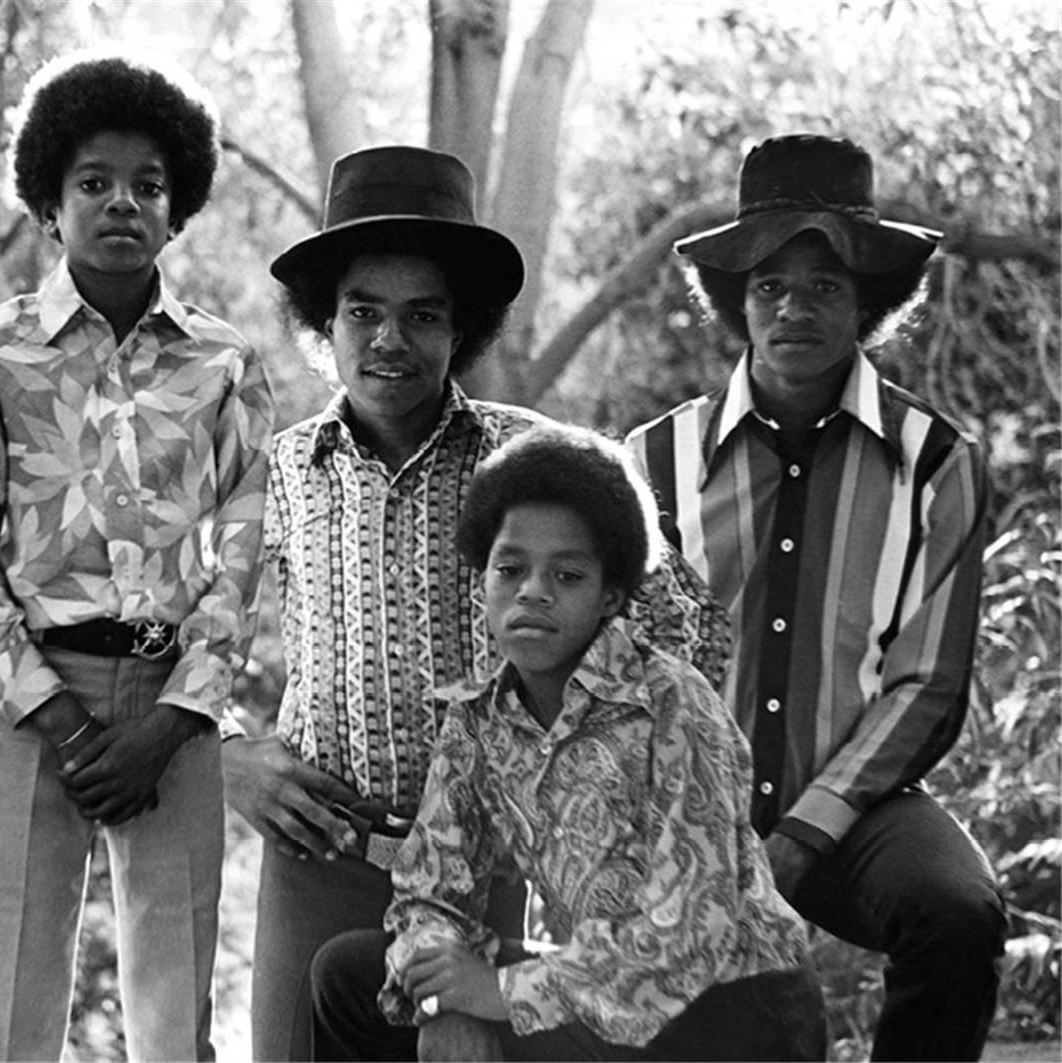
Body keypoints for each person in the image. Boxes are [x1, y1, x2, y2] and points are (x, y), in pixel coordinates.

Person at [224, 144, 731, 1062]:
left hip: (486, 865)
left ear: (462, 329)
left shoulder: (532, 457)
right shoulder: (284, 468)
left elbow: (678, 621)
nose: (389, 340)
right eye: (363, 312)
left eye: (423, 315)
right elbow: (189, 622)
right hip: (321, 848)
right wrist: (230, 750)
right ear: (324, 323)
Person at [625, 133, 1005, 1061]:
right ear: (737, 300)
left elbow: (930, 681)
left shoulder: (939, 463)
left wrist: (806, 824)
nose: (795, 306)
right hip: (687, 807)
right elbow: (623, 666)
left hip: (857, 809)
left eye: (826, 284)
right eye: (770, 285)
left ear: (868, 302)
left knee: (958, 911)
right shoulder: (653, 461)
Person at [0, 49, 274, 1062]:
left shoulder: (225, 364)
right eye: (94, 182)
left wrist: (174, 719)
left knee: (176, 1014)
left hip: (175, 704)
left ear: (180, 208)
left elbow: (246, 553)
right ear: (48, 201)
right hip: (38, 703)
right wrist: (66, 725)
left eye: (149, 185)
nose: (122, 202)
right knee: (13, 1001)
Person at [310, 423, 825, 1061]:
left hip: (729, 1010)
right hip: (592, 990)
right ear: (484, 584)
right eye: (511, 569)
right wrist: (443, 1001)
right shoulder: (478, 719)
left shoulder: (671, 702)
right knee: (347, 974)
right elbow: (428, 890)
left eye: (567, 576)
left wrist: (499, 996)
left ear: (611, 596)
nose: (532, 591)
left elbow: (689, 934)